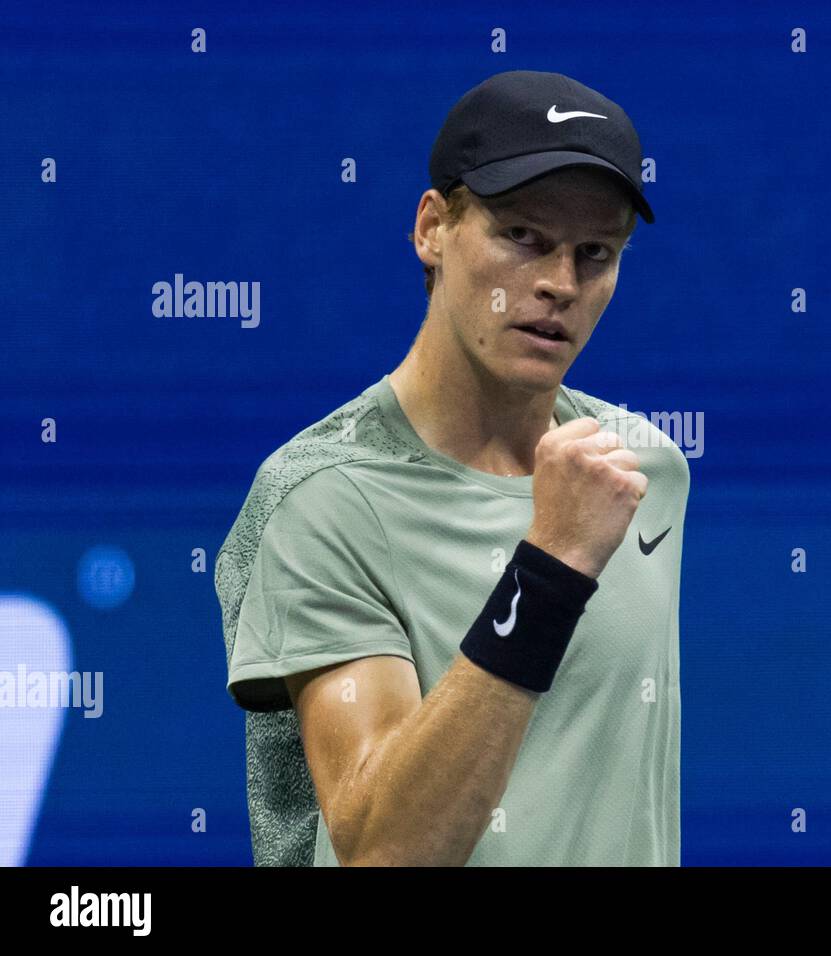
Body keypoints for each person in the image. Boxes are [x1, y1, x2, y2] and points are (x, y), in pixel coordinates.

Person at [214, 70, 689, 866]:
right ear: (433, 227)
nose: (559, 285)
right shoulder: (320, 499)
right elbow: (385, 850)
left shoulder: (647, 469)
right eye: (524, 237)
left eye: (595, 253)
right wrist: (551, 571)